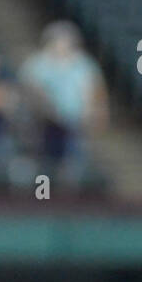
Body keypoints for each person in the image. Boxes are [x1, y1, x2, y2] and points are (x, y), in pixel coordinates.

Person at [18, 21, 108, 185]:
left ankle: (68, 195)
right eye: (60, 41)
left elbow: (95, 92)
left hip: (74, 123)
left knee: (73, 162)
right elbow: (29, 90)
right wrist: (48, 108)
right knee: (41, 162)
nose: (64, 45)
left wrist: (93, 113)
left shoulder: (84, 65)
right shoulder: (37, 64)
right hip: (43, 124)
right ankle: (40, 193)